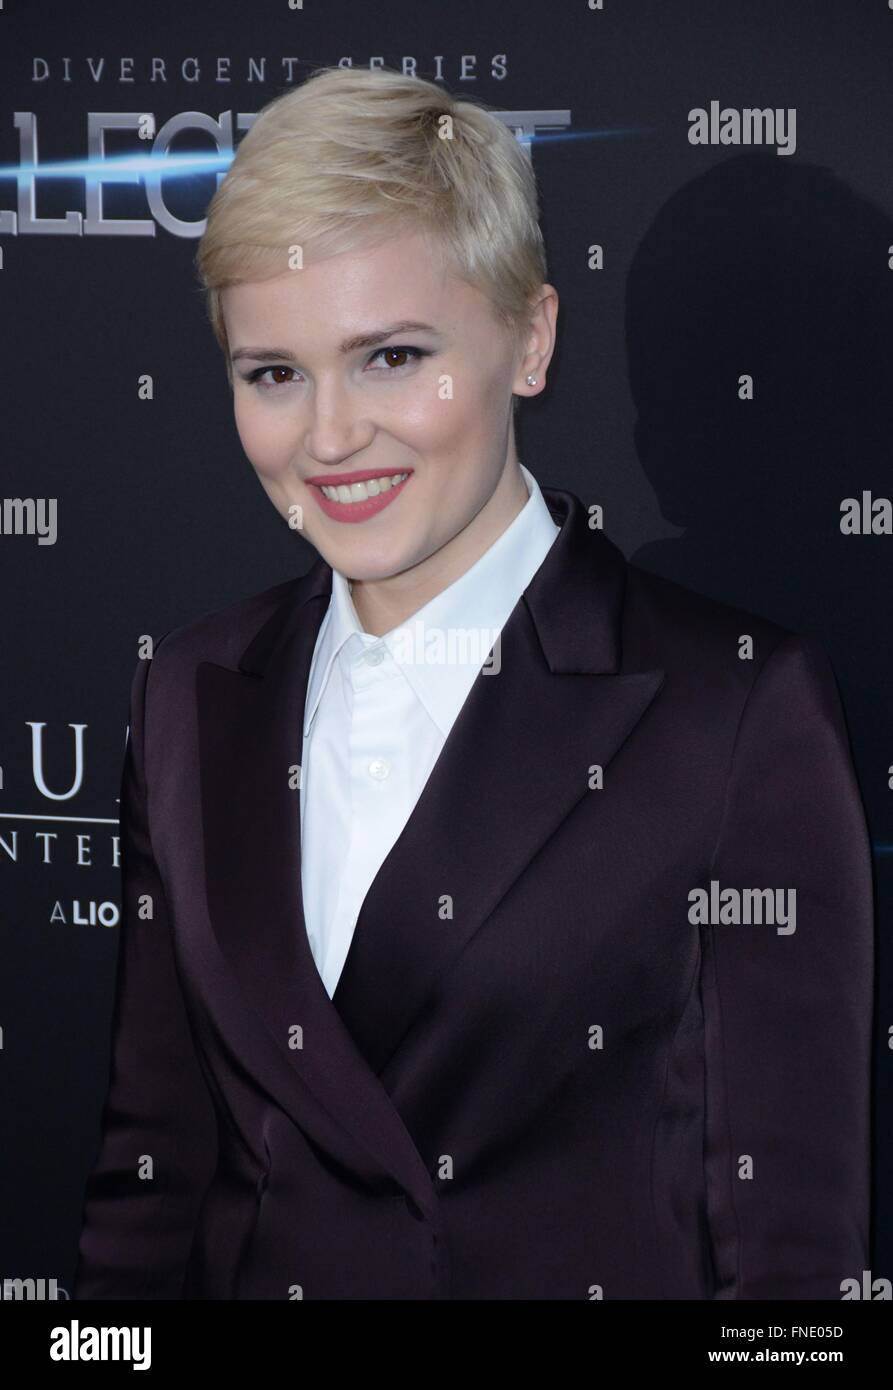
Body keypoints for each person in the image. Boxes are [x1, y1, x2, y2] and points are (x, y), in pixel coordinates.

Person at [72, 64, 873, 1300]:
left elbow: (789, 1267)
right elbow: (149, 1189)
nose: (329, 438)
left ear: (531, 337)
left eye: (390, 357)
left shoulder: (733, 710)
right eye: (273, 372)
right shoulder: (186, 692)